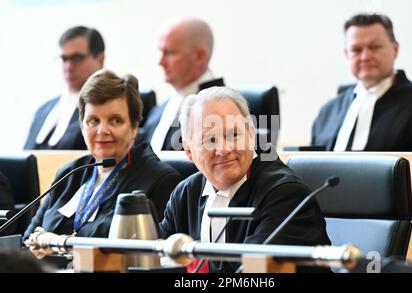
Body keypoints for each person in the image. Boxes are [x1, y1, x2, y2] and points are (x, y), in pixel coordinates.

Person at [159, 86, 330, 273]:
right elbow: (155, 260)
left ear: (250, 134)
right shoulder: (185, 194)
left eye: (233, 135)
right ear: (189, 150)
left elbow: (251, 272)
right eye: (209, 140)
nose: (224, 149)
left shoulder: (286, 194)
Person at [24, 69, 181, 239]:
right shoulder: (69, 174)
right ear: (82, 126)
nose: (102, 130)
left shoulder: (160, 181)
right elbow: (28, 240)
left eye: (115, 120)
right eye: (93, 121)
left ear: (134, 127)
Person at [311, 13, 412, 151]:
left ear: (395, 49)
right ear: (347, 54)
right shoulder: (328, 112)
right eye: (356, 50)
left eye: (375, 47)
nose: (365, 56)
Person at [139, 17, 225, 152]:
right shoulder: (159, 109)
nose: (160, 61)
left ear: (200, 56)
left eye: (169, 53)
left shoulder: (223, 108)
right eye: (160, 51)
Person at [24, 26, 105, 150]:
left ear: (100, 59)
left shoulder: (107, 110)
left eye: (77, 58)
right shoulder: (43, 111)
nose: (68, 67)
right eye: (64, 59)